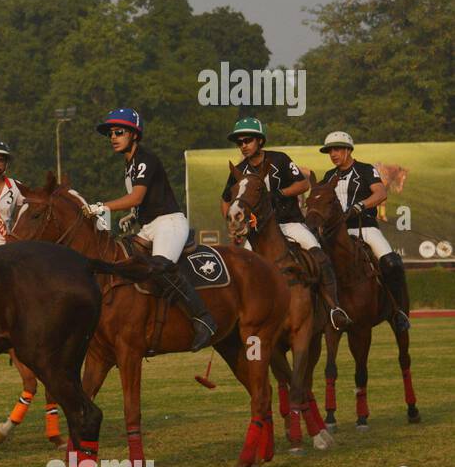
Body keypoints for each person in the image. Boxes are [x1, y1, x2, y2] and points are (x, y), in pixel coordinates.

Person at [82, 108, 216, 351]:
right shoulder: (130, 165)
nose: (113, 137)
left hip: (169, 223)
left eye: (119, 132)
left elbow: (136, 197)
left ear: (134, 134)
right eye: (111, 133)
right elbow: (142, 202)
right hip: (149, 226)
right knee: (126, 260)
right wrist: (133, 217)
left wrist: (101, 207)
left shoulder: (145, 159)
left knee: (159, 269)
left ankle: (203, 319)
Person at [221, 117, 350, 330]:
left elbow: (303, 183)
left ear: (260, 141)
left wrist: (277, 194)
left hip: (290, 222)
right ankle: (240, 317)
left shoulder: (279, 159)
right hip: (258, 230)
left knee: (319, 255)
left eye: (248, 140)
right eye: (239, 142)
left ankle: (334, 308)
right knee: (242, 268)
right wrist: (232, 222)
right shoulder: (239, 170)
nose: (243, 145)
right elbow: (226, 199)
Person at [321, 130, 411, 332]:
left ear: (348, 150)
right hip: (336, 234)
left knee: (391, 262)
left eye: (337, 149)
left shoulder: (364, 169)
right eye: (330, 151)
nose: (333, 154)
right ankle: (324, 311)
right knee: (315, 263)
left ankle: (399, 312)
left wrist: (359, 206)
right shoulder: (329, 176)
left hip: (365, 228)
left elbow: (380, 193)